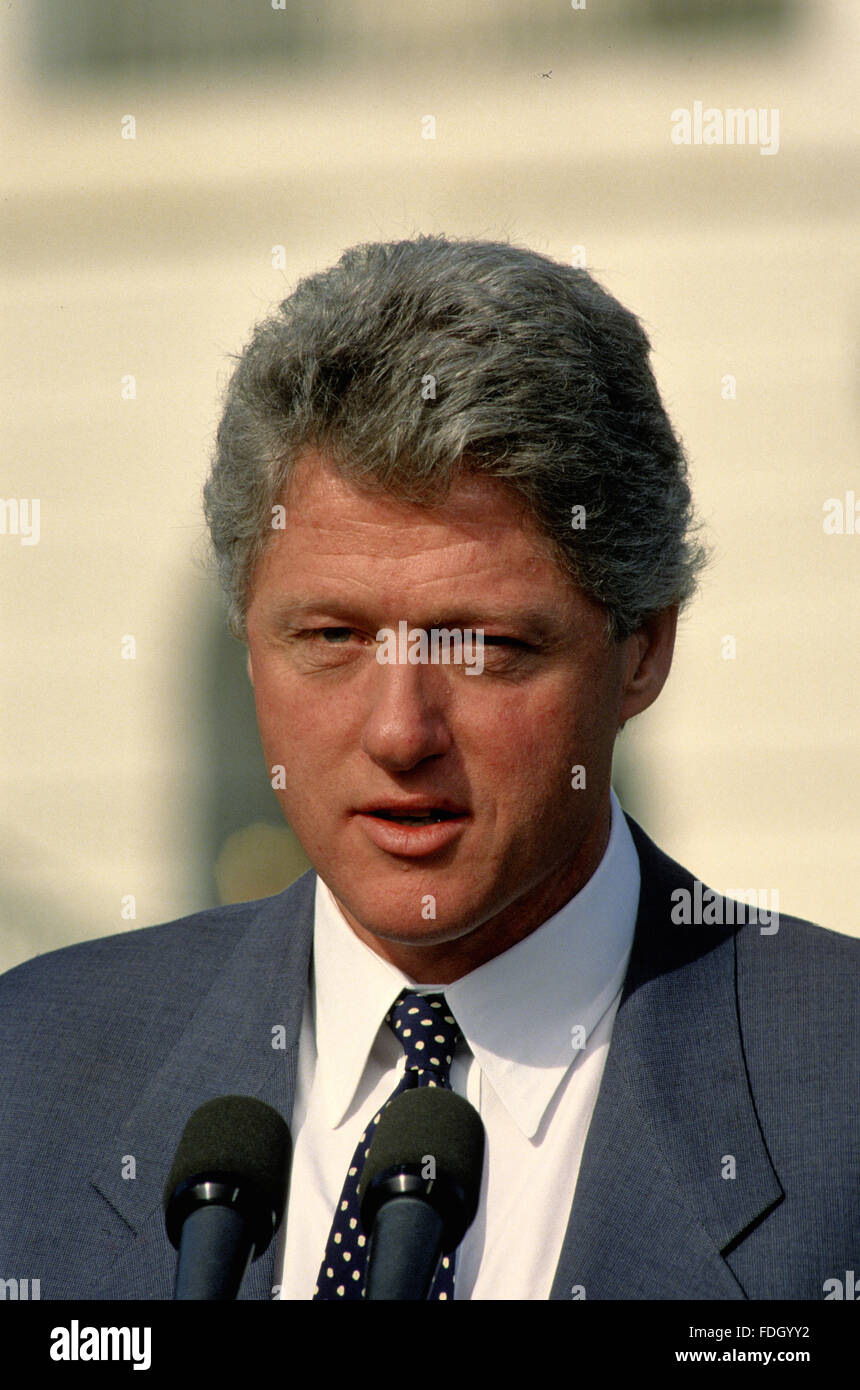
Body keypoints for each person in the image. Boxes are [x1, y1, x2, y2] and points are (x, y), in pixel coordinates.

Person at [0, 235, 856, 1301]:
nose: (401, 731)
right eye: (330, 637)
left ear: (640, 648)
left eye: (485, 645)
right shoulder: (28, 1074)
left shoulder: (835, 1097)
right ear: (246, 641)